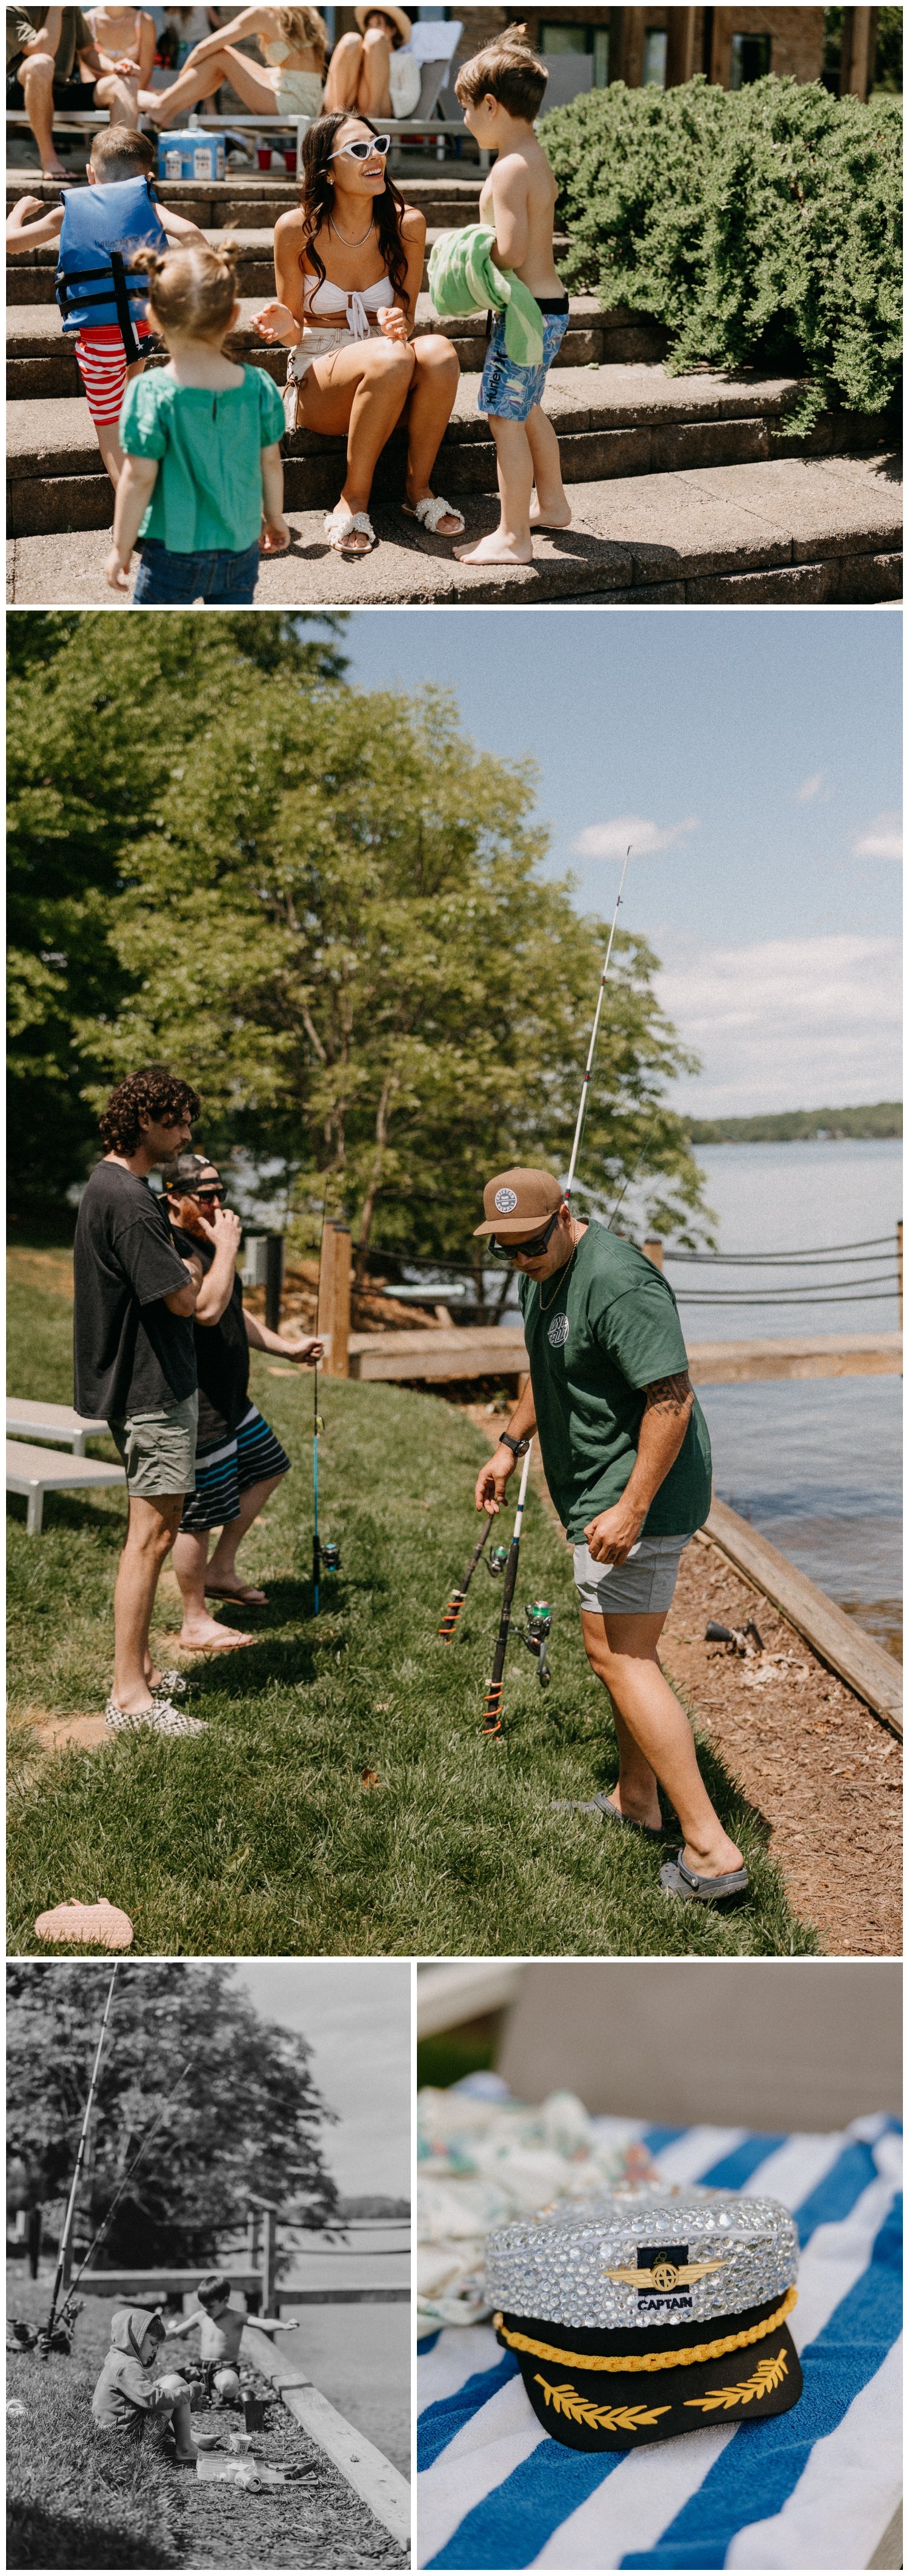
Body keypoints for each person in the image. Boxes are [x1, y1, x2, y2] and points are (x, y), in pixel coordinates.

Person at [472, 1168, 749, 1909]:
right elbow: (544, 1365)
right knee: (618, 1655)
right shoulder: (542, 1272)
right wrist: (509, 1443)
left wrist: (630, 1508)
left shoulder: (620, 1282)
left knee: (622, 1658)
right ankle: (637, 1800)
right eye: (506, 1251)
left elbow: (671, 1397)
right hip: (597, 1492)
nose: (521, 1260)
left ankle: (711, 1849)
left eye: (531, 1244)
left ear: (564, 1216)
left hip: (638, 1498)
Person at [251, 112, 462, 557]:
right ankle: (354, 497)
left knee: (440, 352)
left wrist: (398, 324)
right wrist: (286, 326)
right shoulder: (296, 229)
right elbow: (294, 329)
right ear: (327, 172)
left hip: (387, 366)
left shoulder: (408, 226)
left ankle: (418, 488)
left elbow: (406, 320)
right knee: (392, 357)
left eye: (379, 145)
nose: (376, 157)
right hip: (321, 377)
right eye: (359, 150)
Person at [72, 1065, 209, 1739]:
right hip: (152, 1387)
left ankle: (144, 1669)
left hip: (152, 1384)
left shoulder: (118, 1188)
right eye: (178, 1121)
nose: (186, 1134)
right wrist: (193, 1257)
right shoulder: (126, 1197)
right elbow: (182, 1299)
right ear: (147, 1120)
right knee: (150, 1537)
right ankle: (129, 1697)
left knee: (153, 1534)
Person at [161, 1154, 321, 1644]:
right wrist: (227, 1246)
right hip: (199, 1401)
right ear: (173, 1198)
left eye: (220, 1196)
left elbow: (232, 1310)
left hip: (231, 1395)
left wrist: (286, 1347)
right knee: (199, 1515)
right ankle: (194, 1620)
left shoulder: (208, 1242)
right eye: (203, 1197)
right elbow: (206, 1311)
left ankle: (221, 1569)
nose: (215, 1205)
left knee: (270, 1464)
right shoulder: (175, 1248)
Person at [7, 127, 206, 493]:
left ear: (90, 174)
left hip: (99, 338)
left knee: (108, 425)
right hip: (142, 327)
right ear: (147, 177)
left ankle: (136, 509)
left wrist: (19, 209)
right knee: (132, 393)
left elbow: (9, 244)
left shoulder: (69, 211)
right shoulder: (150, 205)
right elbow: (191, 233)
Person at [104, 241, 289, 602]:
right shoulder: (259, 386)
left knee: (157, 650)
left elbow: (139, 477)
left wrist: (121, 547)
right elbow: (269, 462)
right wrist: (275, 518)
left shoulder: (150, 392)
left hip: (172, 552)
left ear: (154, 318)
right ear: (233, 316)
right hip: (240, 549)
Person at [451, 27, 571, 568]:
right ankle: (554, 503)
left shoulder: (507, 170)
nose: (465, 120)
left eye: (468, 109)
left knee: (504, 418)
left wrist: (468, 254)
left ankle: (512, 535)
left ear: (492, 105)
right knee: (528, 409)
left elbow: (511, 249)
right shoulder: (534, 157)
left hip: (524, 314)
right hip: (548, 308)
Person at [7, 5, 141, 179]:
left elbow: (88, 51)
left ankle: (123, 168)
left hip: (61, 87)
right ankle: (49, 160)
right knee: (40, 64)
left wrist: (114, 67)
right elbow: (42, 50)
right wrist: (56, 9)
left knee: (126, 81)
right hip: (18, 88)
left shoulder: (71, 8)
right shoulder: (10, 8)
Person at [138, 4, 327, 127]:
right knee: (225, 56)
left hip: (291, 102)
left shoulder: (263, 12)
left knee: (221, 56)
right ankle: (167, 107)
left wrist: (182, 82)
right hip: (308, 99)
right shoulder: (304, 13)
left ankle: (162, 107)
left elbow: (205, 47)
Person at [164, 2273, 299, 2404]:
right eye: (203, 2305)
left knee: (228, 2385)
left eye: (210, 2306)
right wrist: (155, 2336)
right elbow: (176, 2332)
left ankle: (227, 2397)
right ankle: (198, 2393)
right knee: (174, 2380)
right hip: (201, 2366)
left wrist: (284, 2326)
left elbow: (263, 2323)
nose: (206, 2309)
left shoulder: (236, 2317)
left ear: (226, 2301)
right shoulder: (202, 2316)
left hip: (225, 2367)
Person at [92, 2307, 201, 2458]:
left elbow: (142, 2395)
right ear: (135, 2337)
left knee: (168, 2382)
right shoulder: (128, 2365)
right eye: (152, 2343)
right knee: (177, 2382)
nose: (155, 2351)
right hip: (131, 2441)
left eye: (158, 2346)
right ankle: (185, 2447)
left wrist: (184, 2401)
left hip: (114, 2433)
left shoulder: (116, 2358)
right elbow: (152, 2400)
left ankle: (190, 2438)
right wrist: (191, 2392)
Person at [324, 5, 421, 122]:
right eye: (369, 25)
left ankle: (372, 111)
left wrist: (377, 85)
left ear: (393, 30)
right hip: (346, 101)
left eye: (379, 24)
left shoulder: (404, 59)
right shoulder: (356, 53)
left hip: (379, 106)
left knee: (375, 38)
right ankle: (338, 111)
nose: (372, 29)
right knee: (351, 39)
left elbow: (409, 99)